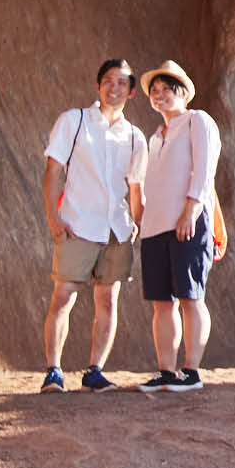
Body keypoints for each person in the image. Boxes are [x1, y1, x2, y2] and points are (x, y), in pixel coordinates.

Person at [39, 59, 146, 393]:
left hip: (116, 228)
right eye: (108, 81)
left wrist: (137, 225)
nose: (114, 88)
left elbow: (136, 188)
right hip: (77, 222)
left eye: (122, 83)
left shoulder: (134, 136)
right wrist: (53, 219)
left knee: (108, 300)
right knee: (63, 296)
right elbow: (54, 171)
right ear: (98, 86)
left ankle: (94, 371)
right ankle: (54, 370)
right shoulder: (75, 121)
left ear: (131, 91)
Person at [136, 60, 221, 393]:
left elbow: (204, 170)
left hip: (188, 222)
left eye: (167, 90)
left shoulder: (197, 121)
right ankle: (166, 371)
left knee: (190, 296)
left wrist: (191, 210)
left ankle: (191, 369)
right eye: (155, 92)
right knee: (161, 302)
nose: (160, 96)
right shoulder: (154, 137)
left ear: (183, 93)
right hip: (154, 227)